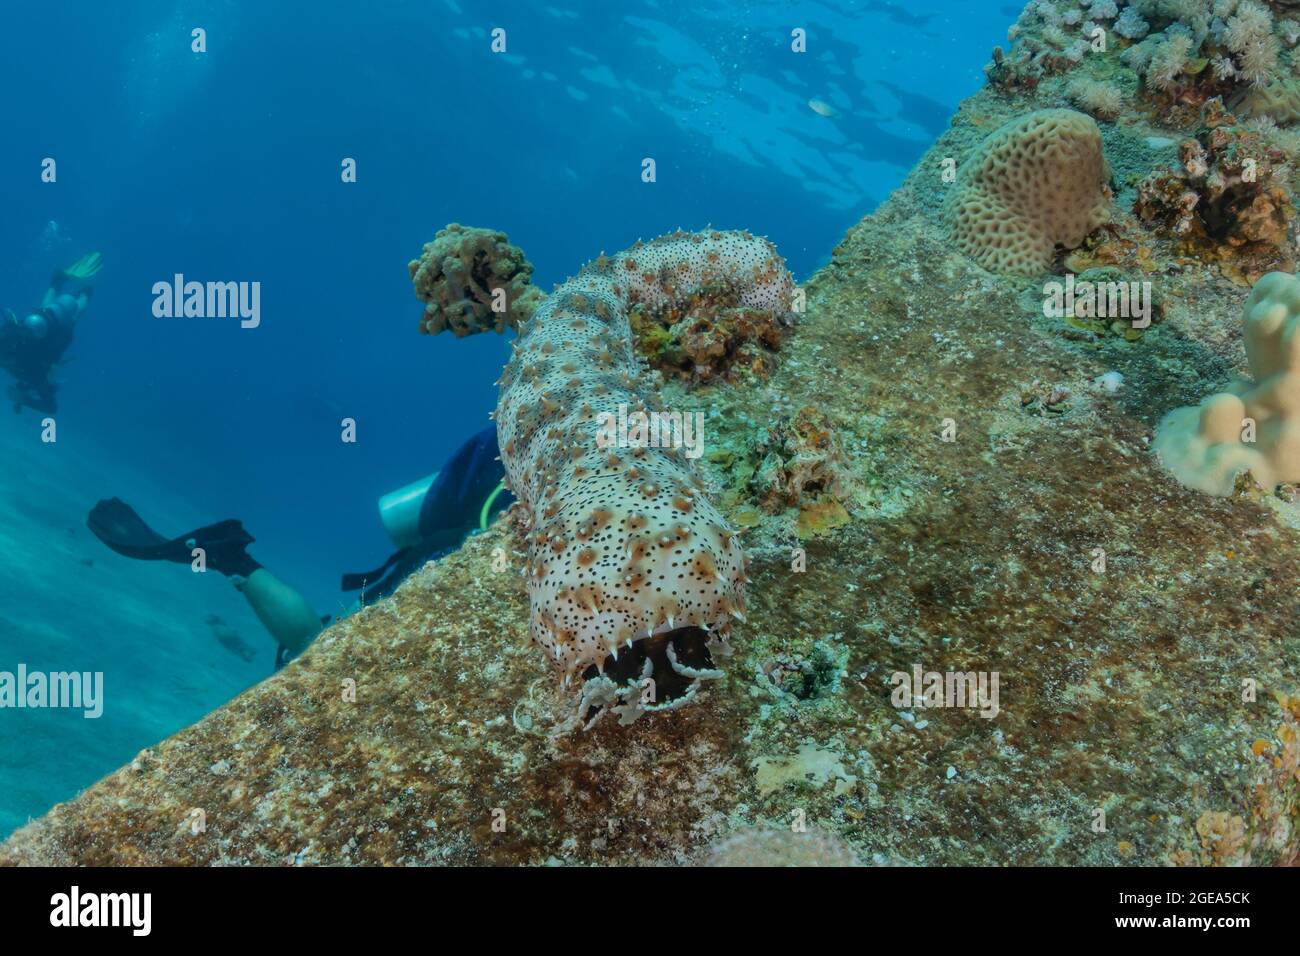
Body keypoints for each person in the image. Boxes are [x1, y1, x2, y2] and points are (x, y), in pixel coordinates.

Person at [87, 425, 513, 668]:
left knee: (324, 651)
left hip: (443, 545)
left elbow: (439, 506)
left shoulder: (514, 426)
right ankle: (228, 557)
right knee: (327, 658)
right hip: (449, 561)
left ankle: (229, 557)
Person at [1, 252, 102, 414]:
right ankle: (62, 281)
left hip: (57, 331)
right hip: (39, 321)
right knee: (46, 309)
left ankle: (86, 291)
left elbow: (51, 408)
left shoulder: (33, 371)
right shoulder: (9, 340)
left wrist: (23, 399)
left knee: (73, 315)